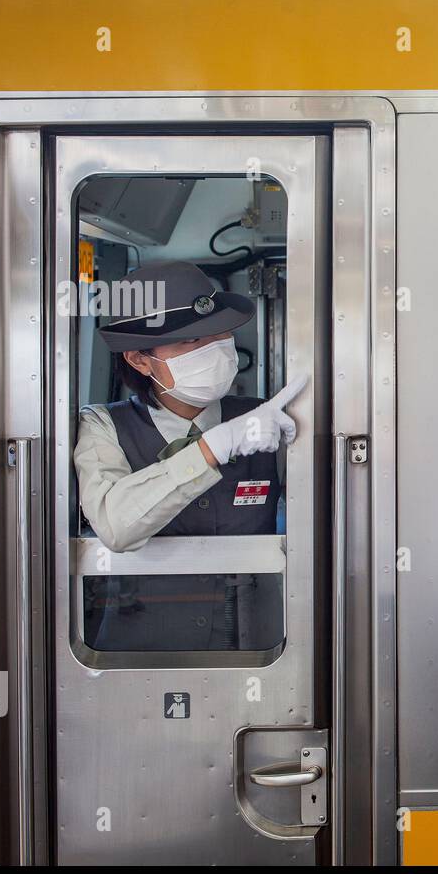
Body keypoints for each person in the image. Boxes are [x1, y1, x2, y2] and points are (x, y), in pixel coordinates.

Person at [73, 260, 308, 652]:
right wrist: (214, 448)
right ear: (139, 359)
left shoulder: (268, 418)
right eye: (190, 342)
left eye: (219, 335)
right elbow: (115, 526)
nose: (213, 349)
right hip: (139, 653)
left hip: (262, 647)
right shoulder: (102, 426)